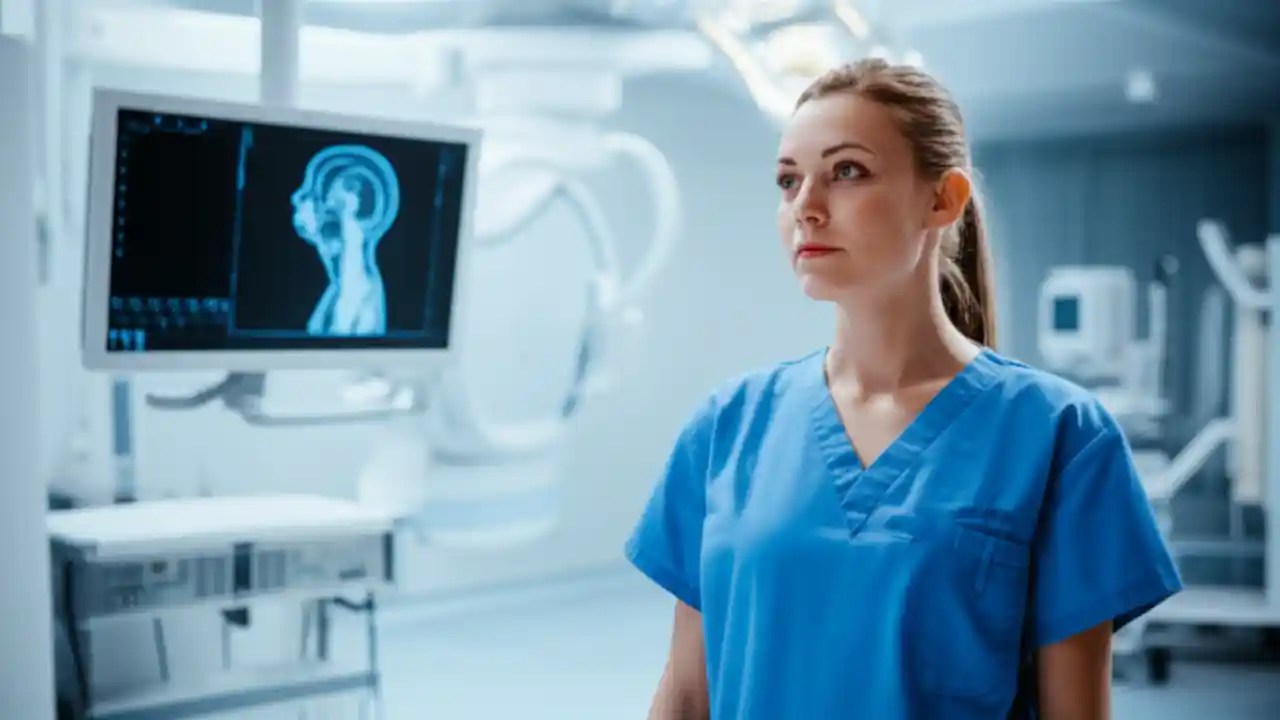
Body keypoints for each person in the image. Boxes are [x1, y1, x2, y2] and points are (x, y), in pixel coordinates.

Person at [623, 58, 1183, 719]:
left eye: (847, 171)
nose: (805, 206)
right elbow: (687, 697)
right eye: (787, 180)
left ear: (942, 199)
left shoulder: (1058, 435)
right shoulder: (729, 428)